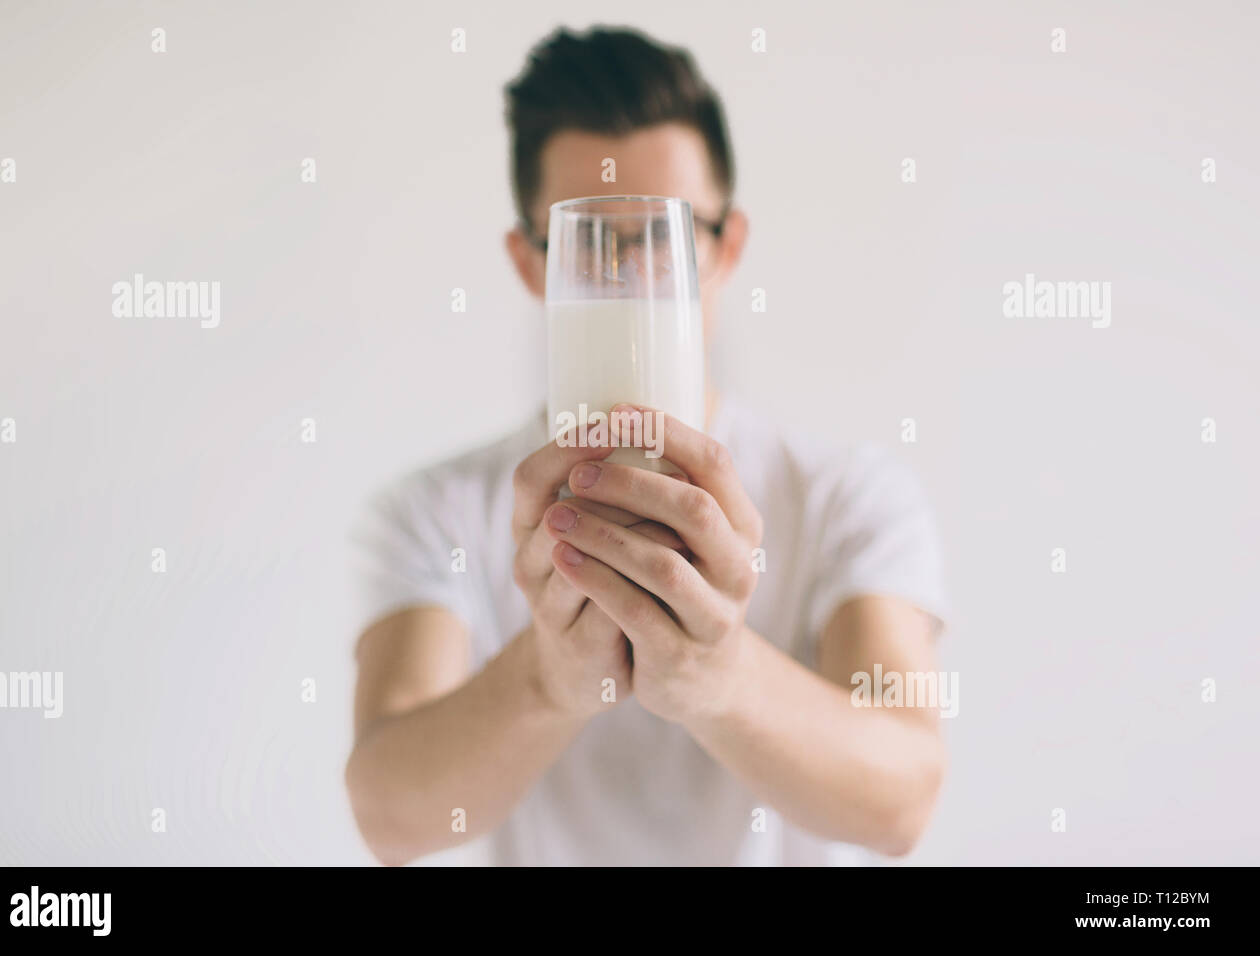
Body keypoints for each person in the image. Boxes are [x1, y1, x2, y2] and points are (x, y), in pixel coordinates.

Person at [346, 26, 949, 866]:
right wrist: (549, 680)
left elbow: (904, 799)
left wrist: (720, 677)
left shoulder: (848, 496)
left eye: (663, 243)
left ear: (725, 249)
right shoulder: (438, 511)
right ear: (531, 266)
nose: (631, 281)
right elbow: (390, 815)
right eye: (592, 249)